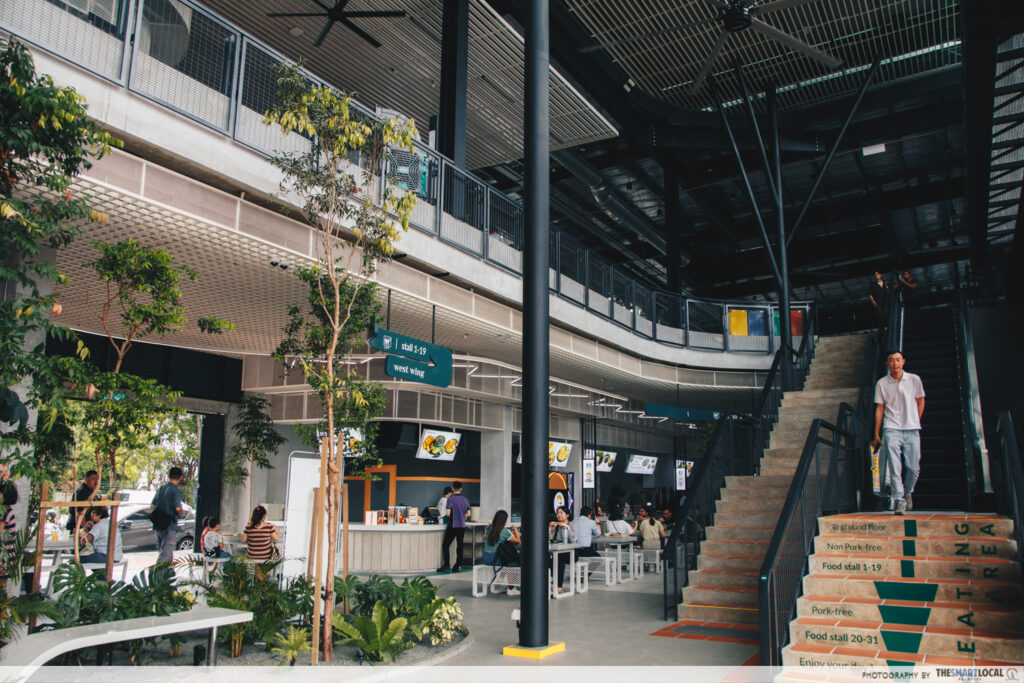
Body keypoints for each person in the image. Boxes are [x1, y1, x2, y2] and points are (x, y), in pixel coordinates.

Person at [873, 350, 926, 515]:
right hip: (891, 428)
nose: (895, 363)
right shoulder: (882, 383)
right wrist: (876, 433)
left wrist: (915, 420)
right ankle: (899, 500)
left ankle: (908, 491)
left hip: (911, 429)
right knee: (895, 467)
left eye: (897, 360)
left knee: (913, 467)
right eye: (891, 360)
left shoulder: (914, 379)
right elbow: (879, 408)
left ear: (903, 361)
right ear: (887, 364)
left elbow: (921, 401)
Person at [149, 466, 184, 564]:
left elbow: (152, 505)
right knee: (166, 552)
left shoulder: (161, 488)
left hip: (159, 524)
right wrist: (181, 512)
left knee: (163, 550)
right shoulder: (176, 491)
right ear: (181, 477)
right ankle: (158, 574)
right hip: (170, 525)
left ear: (168, 475)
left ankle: (167, 572)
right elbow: (177, 508)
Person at [437, 481, 470, 572]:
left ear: (453, 489)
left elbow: (448, 513)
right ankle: (457, 565)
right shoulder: (465, 499)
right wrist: (462, 517)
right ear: (461, 489)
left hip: (453, 525)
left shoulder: (450, 499)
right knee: (460, 545)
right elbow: (468, 513)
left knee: (446, 544)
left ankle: (447, 565)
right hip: (462, 526)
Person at [548, 505, 577, 593]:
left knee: (558, 561)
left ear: (567, 515)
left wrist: (567, 527)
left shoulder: (572, 525)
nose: (559, 515)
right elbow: (549, 539)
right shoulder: (555, 526)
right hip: (557, 552)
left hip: (570, 553)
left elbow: (573, 540)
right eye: (557, 513)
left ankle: (558, 586)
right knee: (550, 560)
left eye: (561, 513)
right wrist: (549, 527)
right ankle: (553, 581)